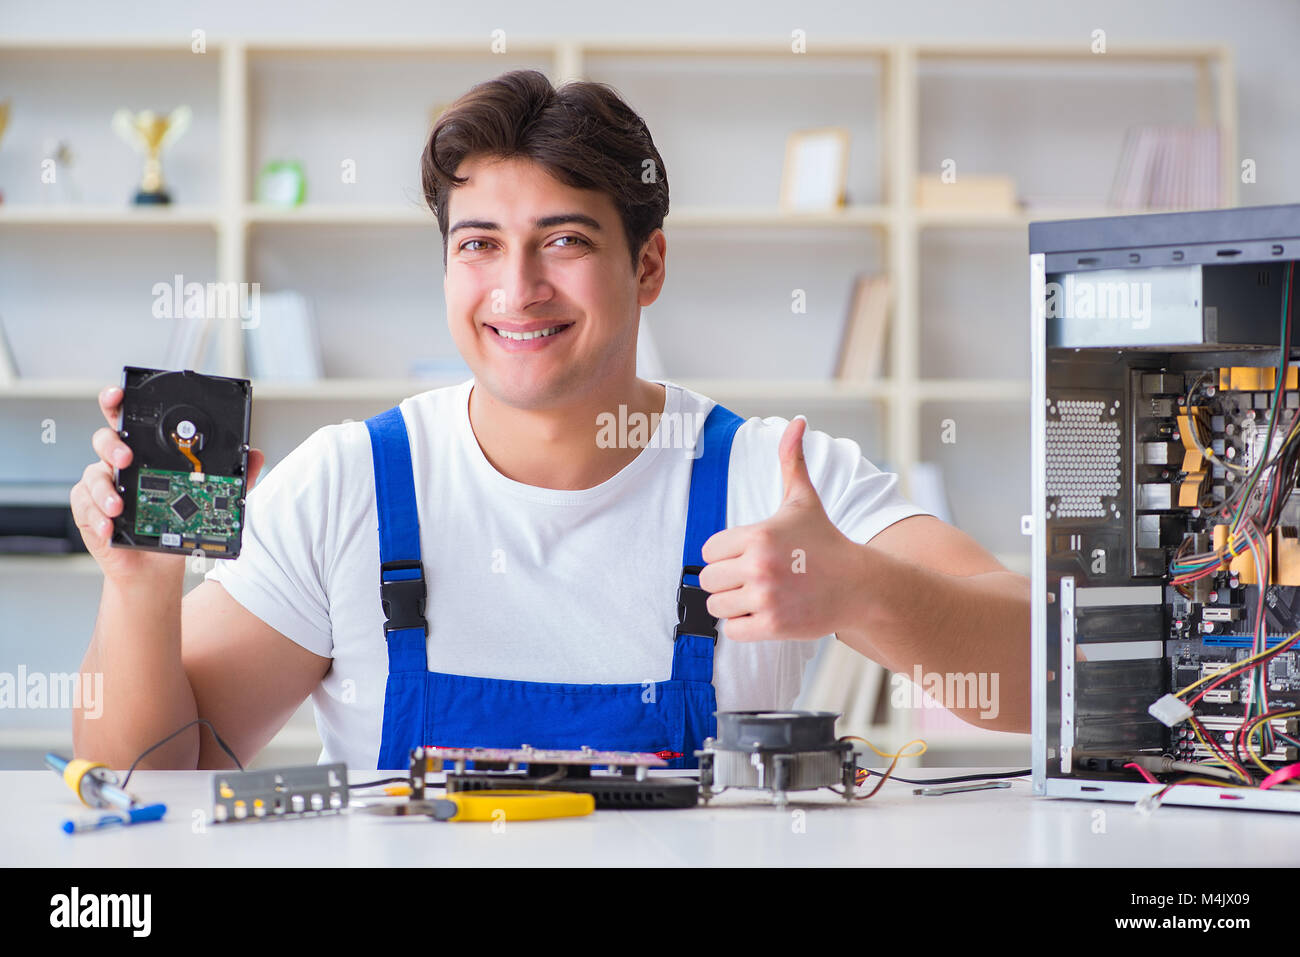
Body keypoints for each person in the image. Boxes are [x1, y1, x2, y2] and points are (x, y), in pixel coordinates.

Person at [70, 70, 1030, 771]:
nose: (516, 289)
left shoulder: (776, 481)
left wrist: (862, 587)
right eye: (479, 244)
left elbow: (1041, 675)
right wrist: (142, 593)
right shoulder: (347, 483)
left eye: (564, 241)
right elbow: (144, 785)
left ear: (648, 264)